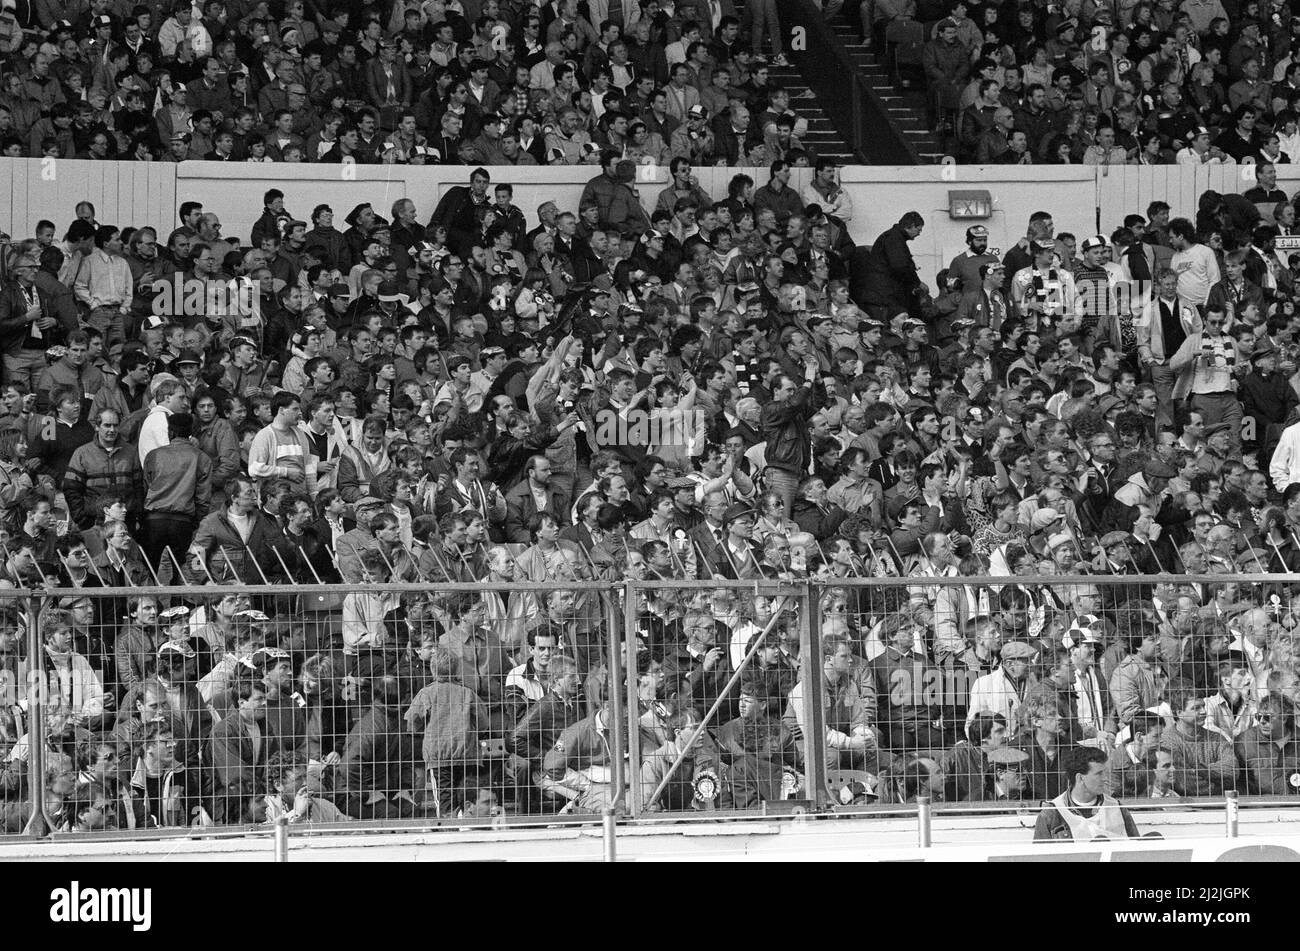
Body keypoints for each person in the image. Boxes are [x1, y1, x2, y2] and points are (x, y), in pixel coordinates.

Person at [1033, 745, 1143, 841]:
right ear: (1080, 778)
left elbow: (1137, 851)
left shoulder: (1117, 807)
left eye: (1105, 773)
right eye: (1099, 774)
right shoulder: (1051, 814)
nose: (1105, 778)